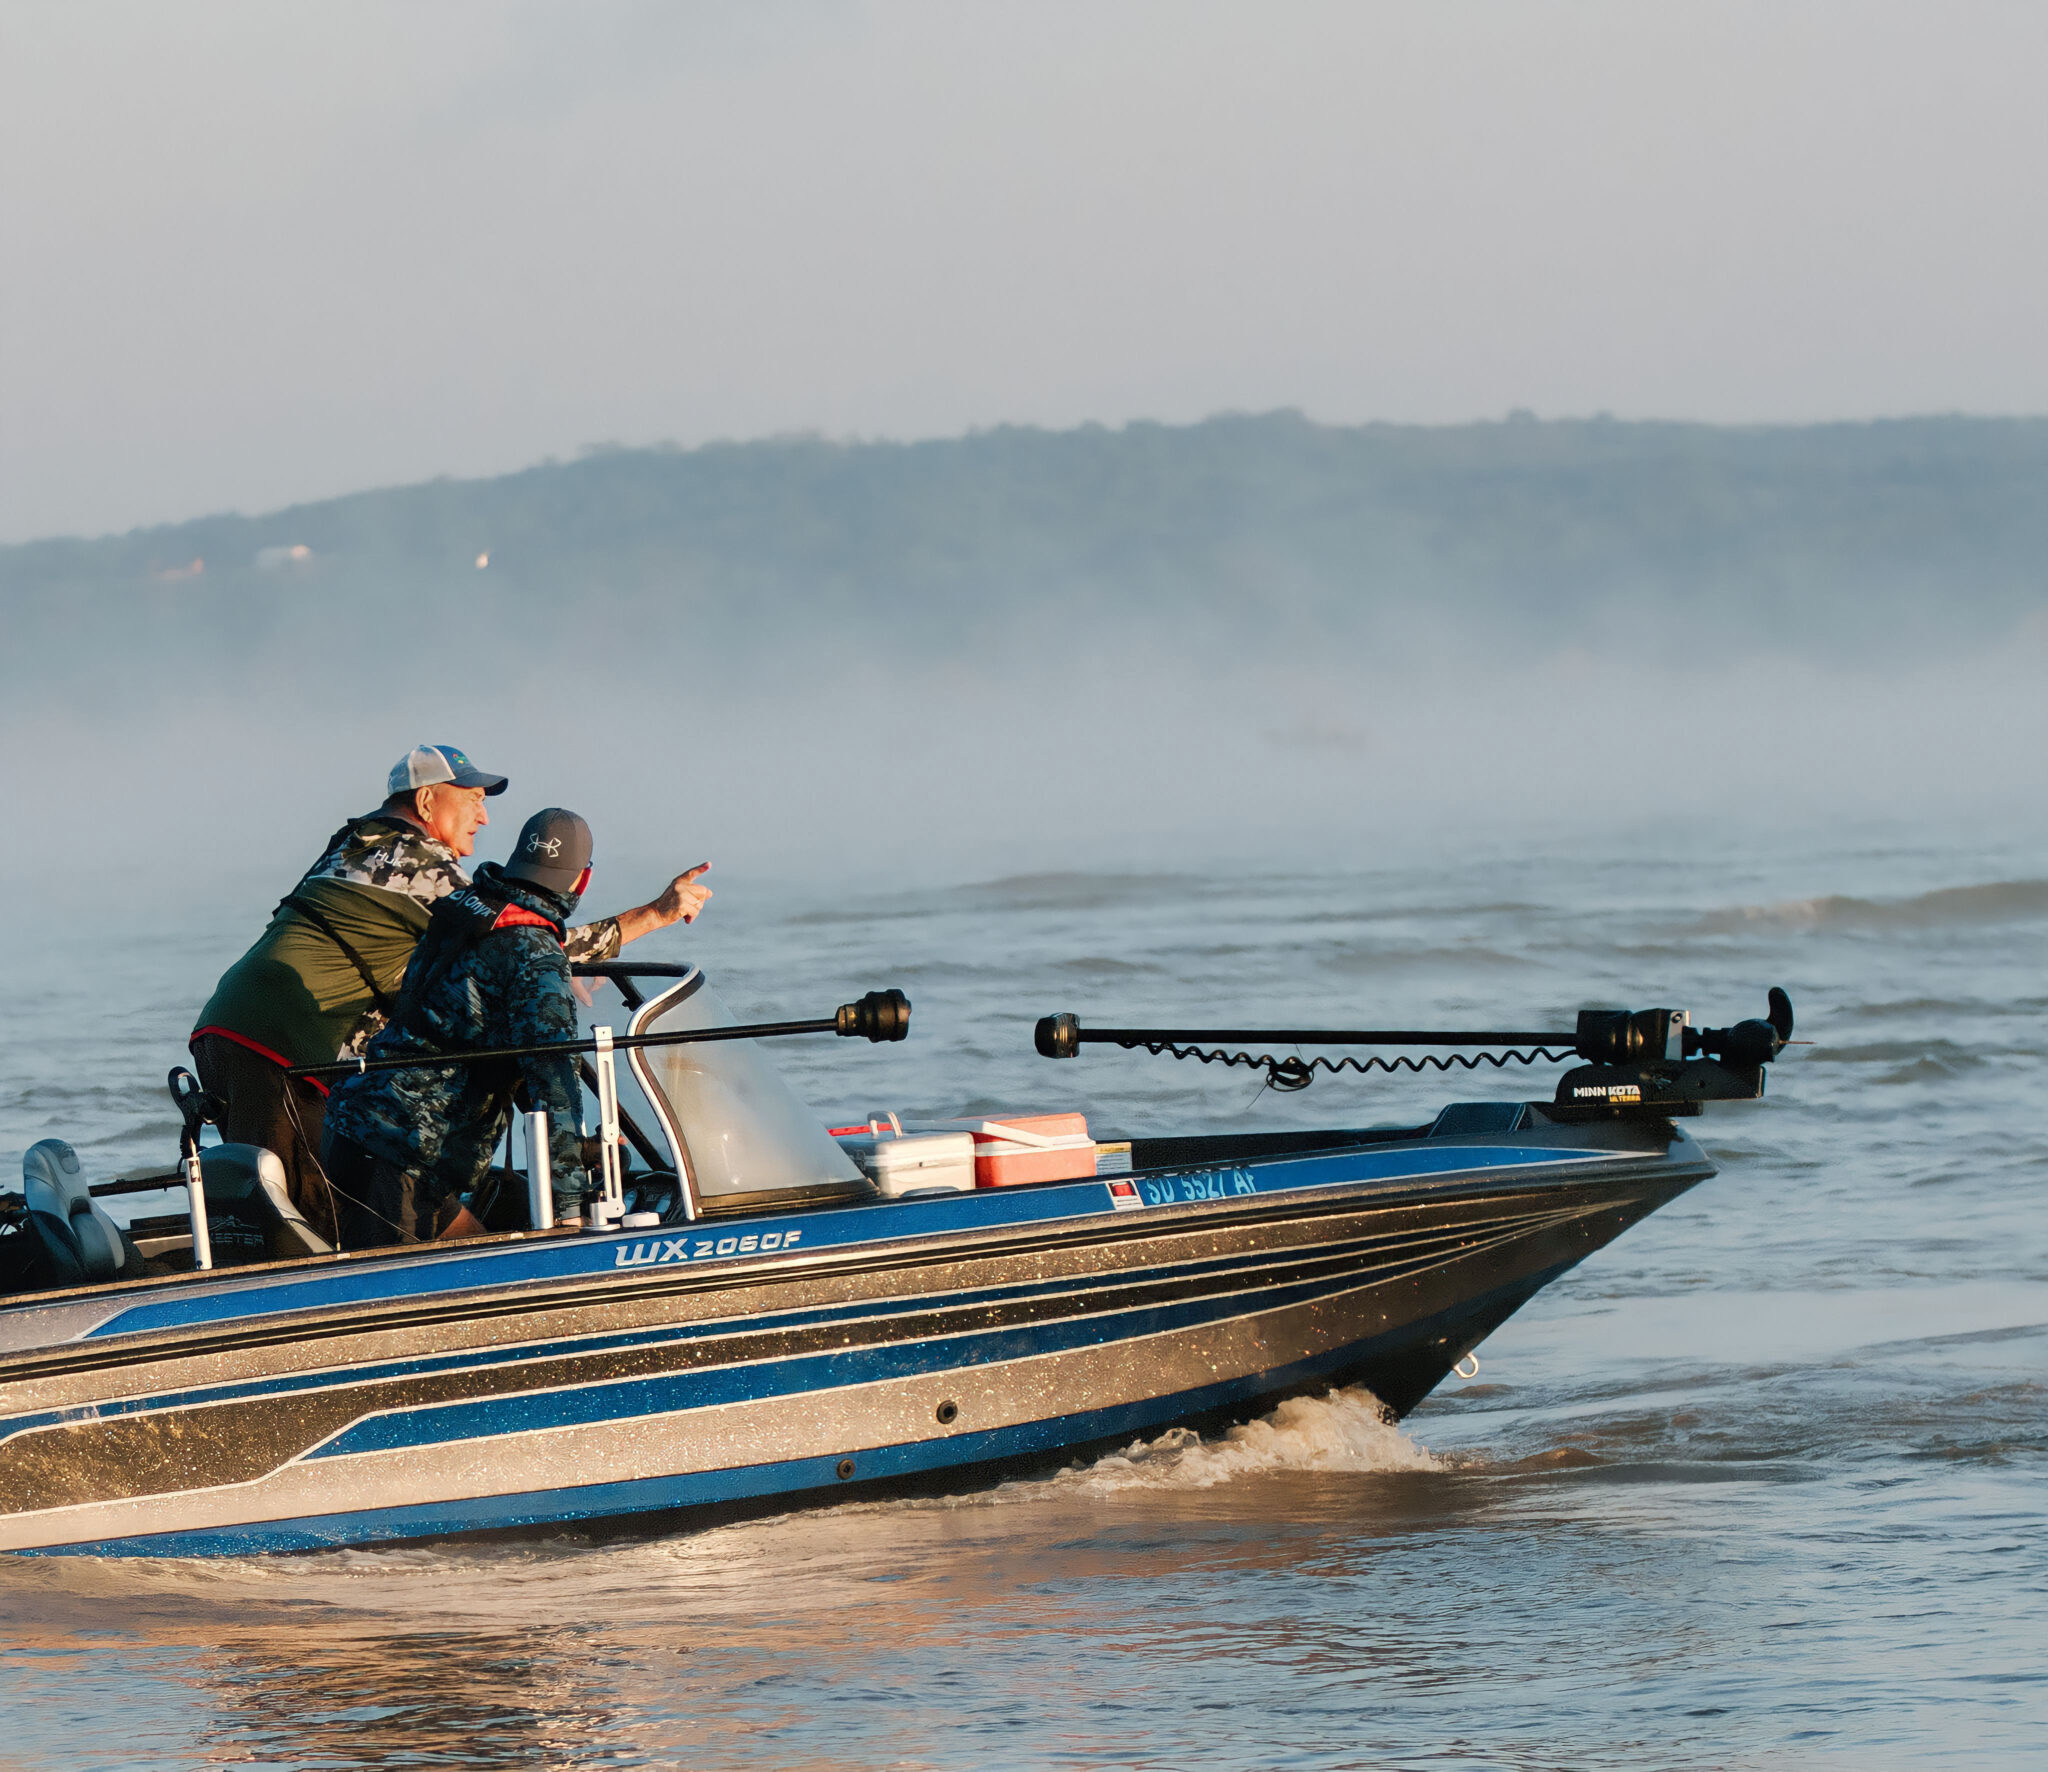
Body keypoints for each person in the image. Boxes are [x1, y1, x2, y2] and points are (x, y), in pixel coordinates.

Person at [191, 746, 710, 1241]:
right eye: (472, 799)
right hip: (286, 1046)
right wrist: (655, 915)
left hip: (239, 1032)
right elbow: (522, 938)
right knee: (317, 1226)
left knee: (281, 1207)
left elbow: (495, 945)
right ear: (425, 802)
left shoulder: (361, 842)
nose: (483, 818)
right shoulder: (414, 860)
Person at [319, 807, 606, 1247]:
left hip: (359, 1127)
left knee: (474, 1242)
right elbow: (556, 1082)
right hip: (403, 1152)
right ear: (581, 880)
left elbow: (466, 1023)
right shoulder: (537, 954)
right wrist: (570, 1207)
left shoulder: (463, 912)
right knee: (400, 1304)